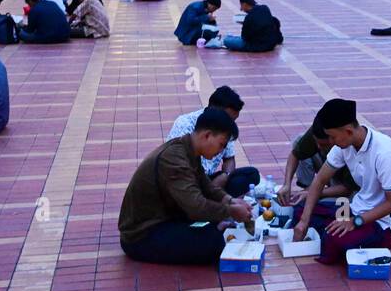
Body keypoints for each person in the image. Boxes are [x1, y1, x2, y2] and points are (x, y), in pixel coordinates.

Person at [117, 107, 251, 266]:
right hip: (142, 235)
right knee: (214, 242)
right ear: (207, 135)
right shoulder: (174, 159)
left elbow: (206, 186)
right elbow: (196, 207)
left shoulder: (188, 149)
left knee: (215, 229)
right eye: (221, 144)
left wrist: (230, 200)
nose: (221, 151)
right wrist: (230, 212)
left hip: (168, 217)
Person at [290, 98, 391, 265]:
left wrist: (354, 222)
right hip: (354, 209)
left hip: (382, 224)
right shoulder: (343, 145)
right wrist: (304, 221)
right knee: (300, 210)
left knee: (333, 240)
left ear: (348, 131)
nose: (330, 142)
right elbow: (320, 180)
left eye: (332, 137)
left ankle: (331, 233)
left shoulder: (385, 152)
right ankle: (328, 230)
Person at [167, 87, 258, 196]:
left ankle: (212, 196)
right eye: (228, 119)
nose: (231, 124)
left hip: (207, 180)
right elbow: (178, 171)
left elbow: (229, 158)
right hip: (186, 180)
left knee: (251, 174)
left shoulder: (225, 129)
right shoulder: (185, 124)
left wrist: (225, 175)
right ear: (207, 135)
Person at [276, 121, 357, 208]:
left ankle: (309, 193)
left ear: (333, 138)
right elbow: (295, 155)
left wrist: (312, 193)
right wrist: (286, 184)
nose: (318, 147)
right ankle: (306, 188)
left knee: (325, 204)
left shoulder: (348, 148)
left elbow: (346, 189)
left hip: (346, 188)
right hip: (327, 172)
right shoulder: (318, 130)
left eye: (323, 144)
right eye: (317, 143)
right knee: (299, 141)